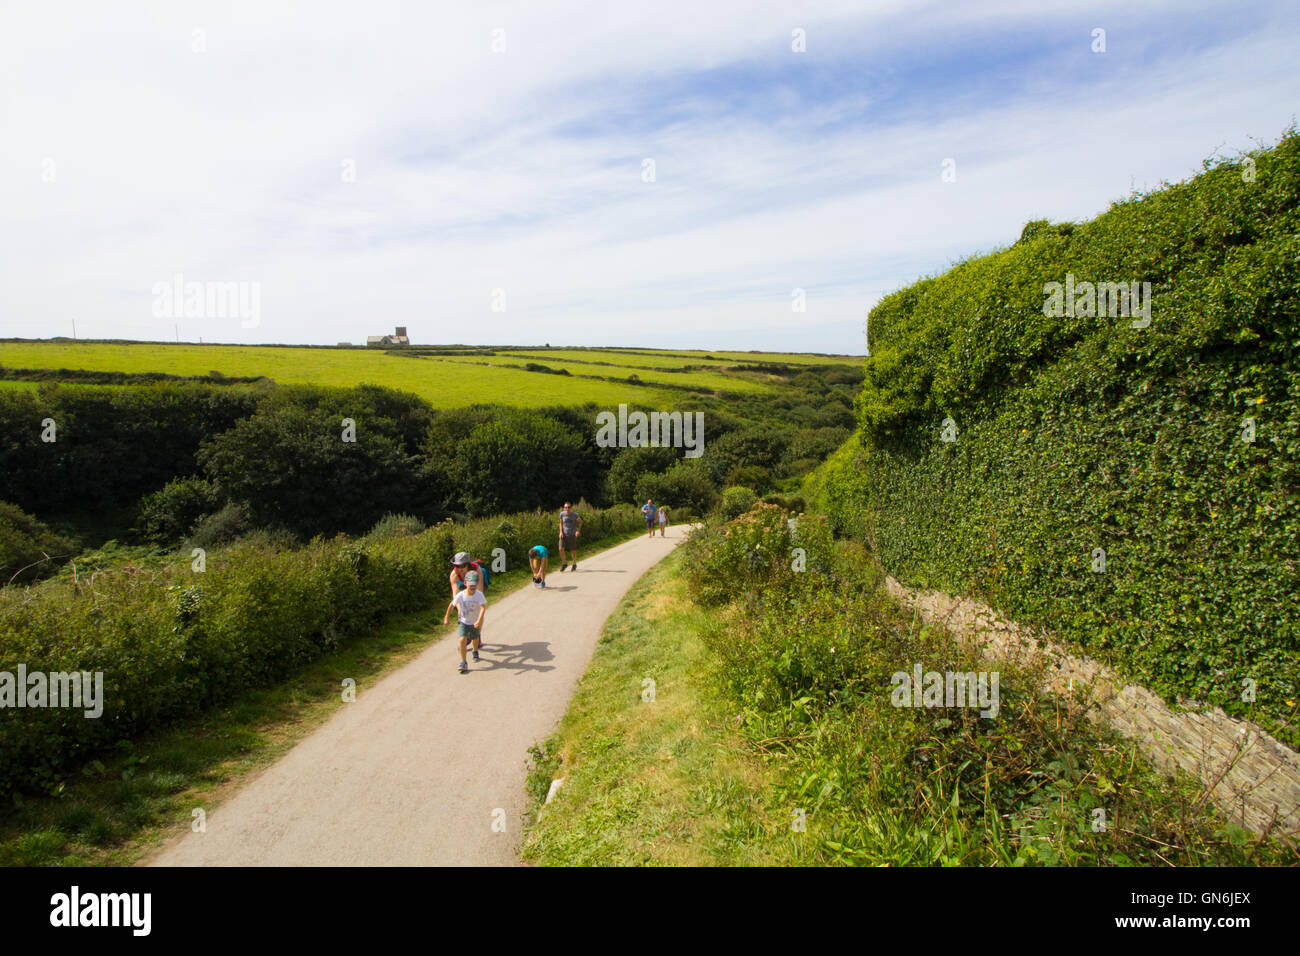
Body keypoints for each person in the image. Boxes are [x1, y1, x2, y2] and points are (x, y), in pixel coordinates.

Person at [443, 570, 486, 673]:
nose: (472, 587)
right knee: (462, 640)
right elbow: (451, 605)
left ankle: (475, 651)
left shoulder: (479, 595)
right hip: (463, 621)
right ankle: (463, 662)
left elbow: (483, 608)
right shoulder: (461, 595)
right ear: (465, 583)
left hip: (474, 622)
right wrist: (446, 617)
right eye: (470, 585)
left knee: (475, 638)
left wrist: (479, 621)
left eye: (474, 585)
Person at [557, 501, 583, 571]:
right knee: (560, 549)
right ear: (564, 508)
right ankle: (564, 563)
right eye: (565, 507)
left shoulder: (575, 515)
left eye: (568, 507)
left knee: (572, 550)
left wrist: (578, 531)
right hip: (563, 535)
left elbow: (580, 522)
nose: (567, 509)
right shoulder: (562, 514)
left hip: (572, 534)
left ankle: (574, 564)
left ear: (571, 508)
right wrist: (560, 532)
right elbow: (561, 523)